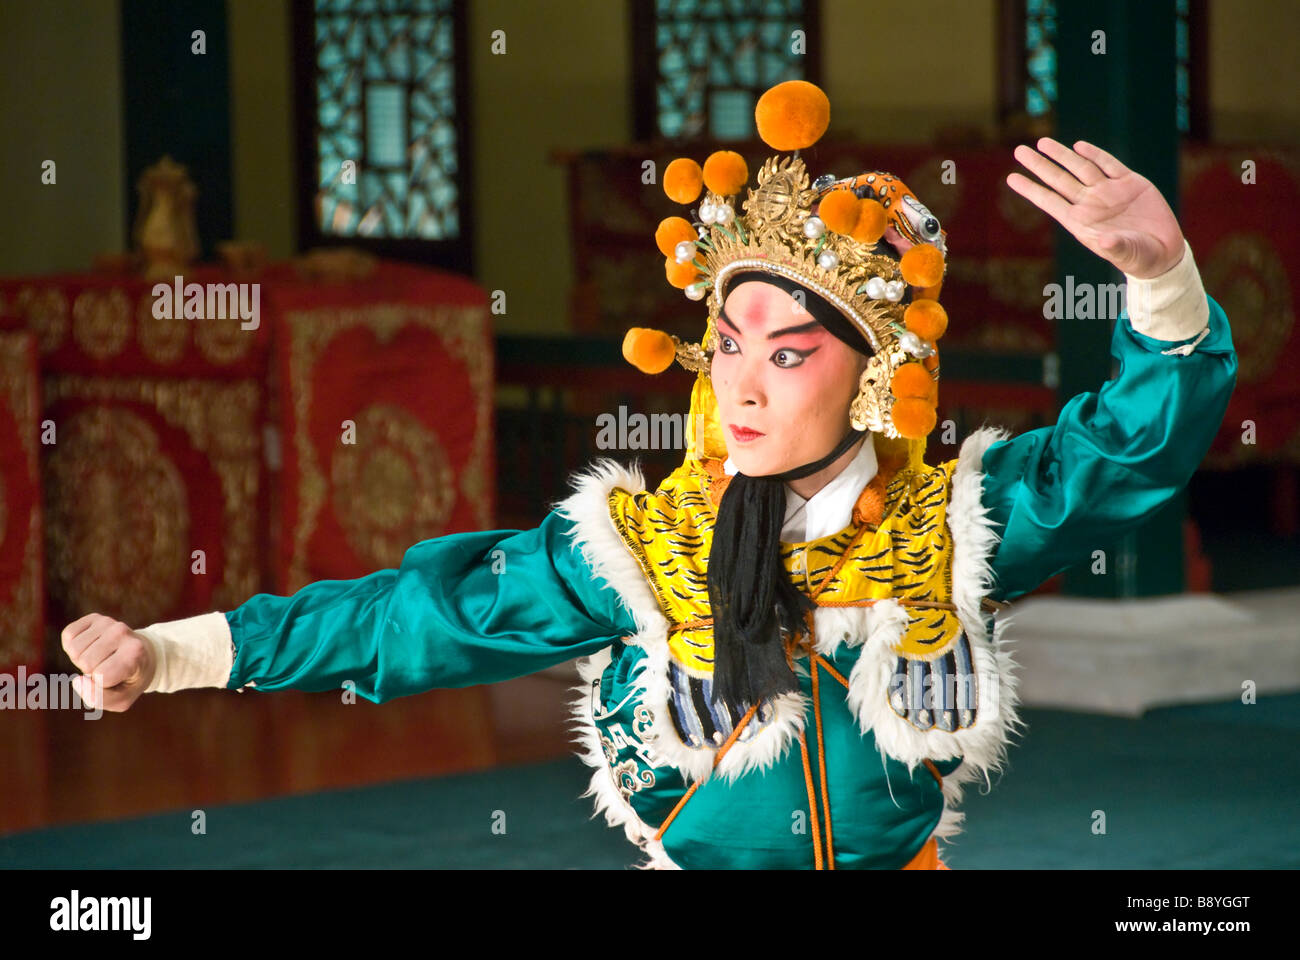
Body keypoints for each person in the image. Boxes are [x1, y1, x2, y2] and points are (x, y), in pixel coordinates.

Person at [60, 82, 1236, 870]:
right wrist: (170, 655)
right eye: (727, 346)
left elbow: (1132, 443)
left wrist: (1164, 275)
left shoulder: (956, 524)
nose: (745, 386)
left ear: (873, 377)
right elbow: (408, 620)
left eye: (788, 353)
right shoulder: (637, 549)